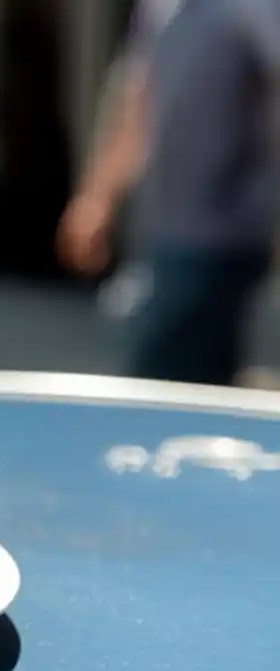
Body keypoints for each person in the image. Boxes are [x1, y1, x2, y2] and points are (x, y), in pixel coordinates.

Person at [58, 0, 280, 385]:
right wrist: (97, 199)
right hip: (161, 232)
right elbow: (138, 97)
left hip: (224, 235)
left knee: (176, 373)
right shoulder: (161, 7)